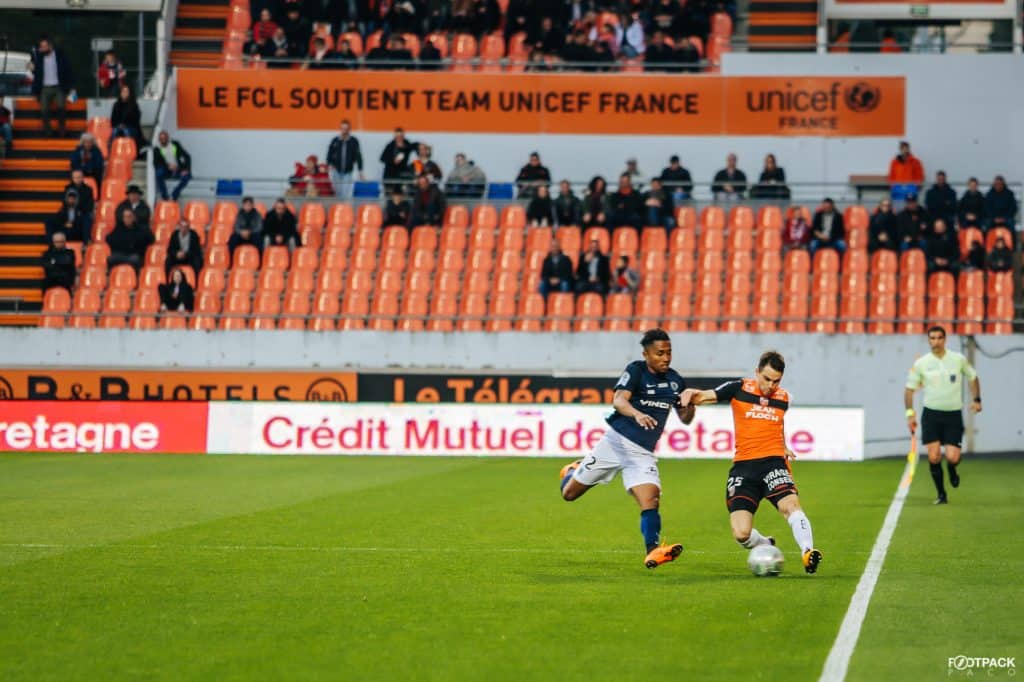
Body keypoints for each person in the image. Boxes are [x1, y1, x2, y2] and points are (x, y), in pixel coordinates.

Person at [558, 329, 693, 569]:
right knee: (569, 494)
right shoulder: (636, 370)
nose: (666, 358)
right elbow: (619, 400)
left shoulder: (675, 381)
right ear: (646, 354)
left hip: (642, 453)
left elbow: (686, 418)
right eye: (660, 353)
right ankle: (572, 470)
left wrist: (689, 405)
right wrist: (637, 413)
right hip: (615, 443)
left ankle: (653, 551)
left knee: (651, 499)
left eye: (669, 352)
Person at [679, 351, 823, 574]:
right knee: (741, 533)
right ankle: (765, 543)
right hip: (744, 468)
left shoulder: (785, 398)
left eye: (776, 381)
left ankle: (807, 552)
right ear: (757, 372)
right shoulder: (739, 388)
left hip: (774, 463)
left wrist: (783, 445)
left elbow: (777, 421)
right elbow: (704, 396)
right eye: (767, 379)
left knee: (791, 506)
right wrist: (690, 393)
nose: (770, 386)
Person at [905, 326, 981, 505]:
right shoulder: (921, 363)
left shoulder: (958, 359)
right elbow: (909, 390)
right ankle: (941, 494)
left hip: (953, 415)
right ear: (928, 340)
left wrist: (977, 399)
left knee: (953, 457)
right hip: (931, 414)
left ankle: (952, 469)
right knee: (934, 456)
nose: (936, 341)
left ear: (944, 339)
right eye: (932, 338)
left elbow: (973, 377)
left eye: (939, 338)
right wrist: (910, 414)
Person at [31, 36, 74, 138]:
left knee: (61, 108)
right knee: (44, 111)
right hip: (44, 88)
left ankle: (62, 131)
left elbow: (67, 70)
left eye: (44, 46)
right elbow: (36, 73)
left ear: (50, 46)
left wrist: (70, 86)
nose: (42, 49)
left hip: (58, 87)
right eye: (41, 47)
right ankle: (48, 132)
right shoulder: (39, 58)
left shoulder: (60, 56)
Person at [326, 119, 364, 199]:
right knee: (337, 193)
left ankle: (345, 206)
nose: (344, 131)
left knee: (346, 194)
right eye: (343, 129)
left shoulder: (353, 141)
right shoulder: (335, 140)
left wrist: (360, 171)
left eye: (346, 129)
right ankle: (338, 207)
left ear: (349, 129)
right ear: (340, 129)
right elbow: (329, 153)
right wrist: (329, 164)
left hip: (348, 171)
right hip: (336, 171)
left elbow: (358, 156)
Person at [153, 131, 192, 201]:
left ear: (168, 138)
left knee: (187, 176)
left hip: (178, 169)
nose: (163, 140)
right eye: (161, 139)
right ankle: (165, 197)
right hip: (167, 170)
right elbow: (156, 163)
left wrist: (186, 169)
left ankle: (175, 194)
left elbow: (187, 156)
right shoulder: (157, 149)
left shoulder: (175, 145)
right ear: (159, 140)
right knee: (158, 174)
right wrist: (168, 166)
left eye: (164, 138)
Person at [110, 85, 146, 153]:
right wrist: (119, 125)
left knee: (126, 131)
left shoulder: (134, 105)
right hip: (118, 127)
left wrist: (125, 125)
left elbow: (136, 120)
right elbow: (113, 120)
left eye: (126, 91)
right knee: (114, 132)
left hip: (131, 127)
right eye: (123, 91)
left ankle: (129, 151)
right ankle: (113, 151)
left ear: (130, 93)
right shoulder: (116, 105)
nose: (124, 93)